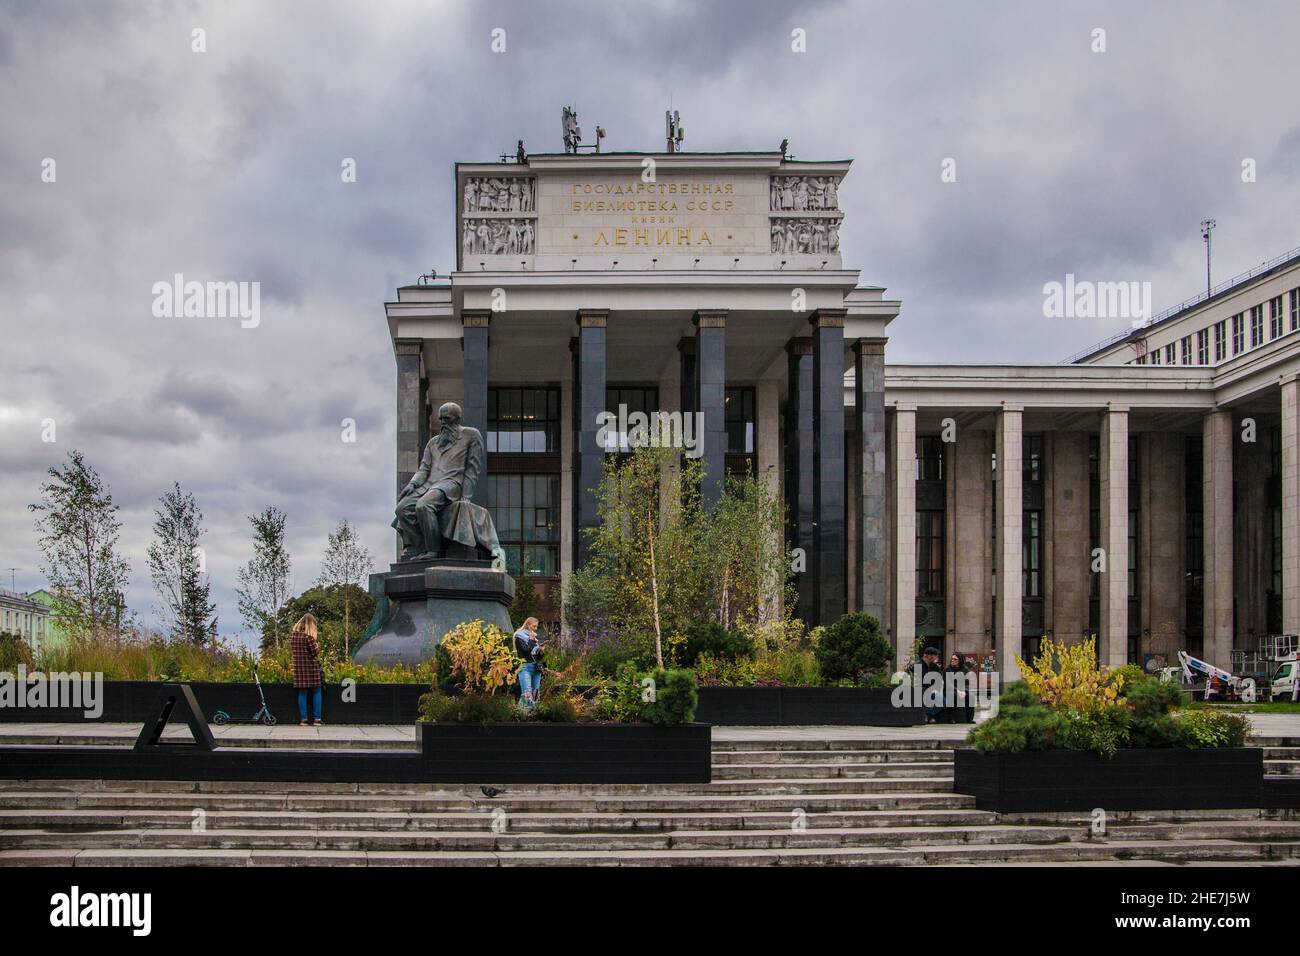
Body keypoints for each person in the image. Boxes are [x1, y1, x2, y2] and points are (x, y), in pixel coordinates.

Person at [291, 613, 324, 726]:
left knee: (302, 692)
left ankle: (303, 719)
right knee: (317, 691)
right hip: (311, 668)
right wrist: (317, 645)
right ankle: (317, 719)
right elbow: (315, 652)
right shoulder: (308, 637)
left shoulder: (294, 636)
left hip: (299, 668)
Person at [513, 616, 545, 709]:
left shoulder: (534, 639)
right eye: (534, 626)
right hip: (525, 667)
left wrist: (541, 651)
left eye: (536, 627)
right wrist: (531, 639)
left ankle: (531, 716)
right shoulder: (519, 636)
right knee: (527, 694)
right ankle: (521, 716)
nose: (535, 629)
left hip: (536, 668)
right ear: (527, 625)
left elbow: (537, 657)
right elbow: (525, 651)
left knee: (535, 694)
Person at [944, 653, 975, 724]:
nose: (952, 660)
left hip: (963, 690)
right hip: (950, 690)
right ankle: (951, 718)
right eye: (952, 659)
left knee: (971, 696)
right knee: (952, 695)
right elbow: (948, 684)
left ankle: (969, 718)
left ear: (960, 660)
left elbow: (967, 683)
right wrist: (958, 691)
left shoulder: (965, 669)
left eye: (955, 659)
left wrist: (964, 691)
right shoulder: (947, 669)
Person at [919, 646, 944, 724]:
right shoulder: (918, 665)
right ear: (929, 656)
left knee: (943, 700)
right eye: (935, 656)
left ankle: (929, 715)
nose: (936, 658)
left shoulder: (934, 666)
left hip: (932, 690)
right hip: (921, 690)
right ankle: (930, 716)